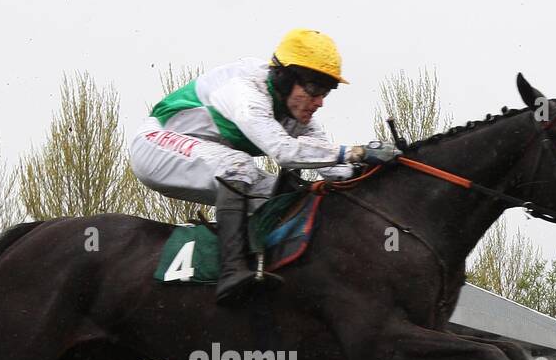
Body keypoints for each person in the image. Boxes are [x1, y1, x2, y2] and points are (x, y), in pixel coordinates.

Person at [129, 29, 402, 303]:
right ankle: (231, 270)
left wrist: (383, 174)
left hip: (204, 156)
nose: (319, 102)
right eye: (315, 90)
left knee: (284, 196)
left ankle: (266, 269)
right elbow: (285, 152)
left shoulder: (297, 113)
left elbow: (335, 169)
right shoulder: (248, 91)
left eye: (326, 93)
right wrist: (359, 151)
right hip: (155, 145)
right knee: (238, 165)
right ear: (285, 79)